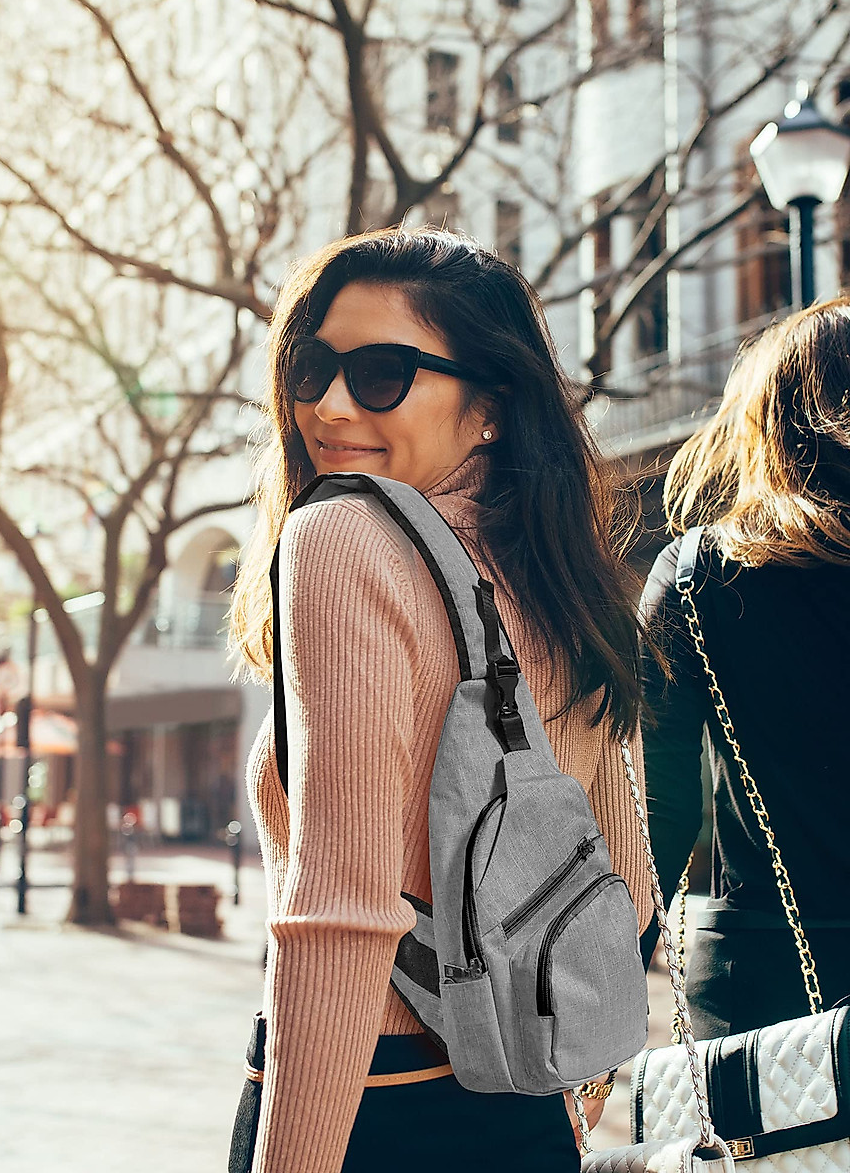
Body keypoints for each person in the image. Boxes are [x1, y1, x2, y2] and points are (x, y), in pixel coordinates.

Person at [226, 228, 655, 1173]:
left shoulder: (340, 539)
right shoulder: (561, 578)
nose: (329, 406)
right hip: (525, 1110)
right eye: (312, 366)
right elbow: (625, 876)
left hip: (364, 1110)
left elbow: (339, 909)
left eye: (383, 373)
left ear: (491, 406)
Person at [639, 297, 850, 1039]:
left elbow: (658, 817)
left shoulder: (696, 577)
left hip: (759, 988)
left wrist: (599, 1020)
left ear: (766, 422)